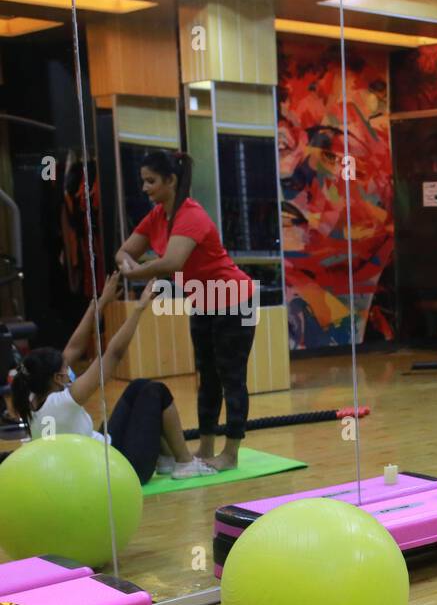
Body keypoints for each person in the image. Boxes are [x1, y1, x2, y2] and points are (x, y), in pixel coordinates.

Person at [114, 150, 257, 472]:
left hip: (236, 298)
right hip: (204, 300)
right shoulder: (156, 217)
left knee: (232, 377)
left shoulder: (191, 215)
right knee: (207, 377)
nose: (145, 188)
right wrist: (127, 264)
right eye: (143, 181)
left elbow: (172, 262)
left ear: (171, 180)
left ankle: (230, 454)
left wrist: (133, 272)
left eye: (150, 181)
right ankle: (206, 446)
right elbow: (124, 251)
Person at [7, 272, 216, 483]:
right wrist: (140, 307)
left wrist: (100, 303)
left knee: (138, 388)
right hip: (119, 470)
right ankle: (185, 461)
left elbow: (74, 346)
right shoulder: (63, 402)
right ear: (58, 377)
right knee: (156, 392)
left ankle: (165, 459)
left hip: (101, 453)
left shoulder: (32, 395)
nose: (68, 367)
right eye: (65, 368)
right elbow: (114, 354)